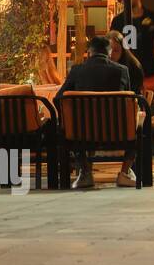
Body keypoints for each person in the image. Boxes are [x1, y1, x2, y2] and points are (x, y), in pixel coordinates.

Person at [55, 35, 135, 189]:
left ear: (89, 52)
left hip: (81, 134)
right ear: (109, 52)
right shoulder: (122, 70)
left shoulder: (77, 71)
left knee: (72, 128)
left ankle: (85, 172)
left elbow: (59, 98)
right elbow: (129, 101)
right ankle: (124, 173)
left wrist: (67, 119)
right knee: (139, 128)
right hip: (117, 132)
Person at [110, 0, 154, 95]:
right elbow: (113, 48)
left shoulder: (153, 18)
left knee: (150, 105)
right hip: (125, 73)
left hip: (149, 72)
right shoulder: (117, 21)